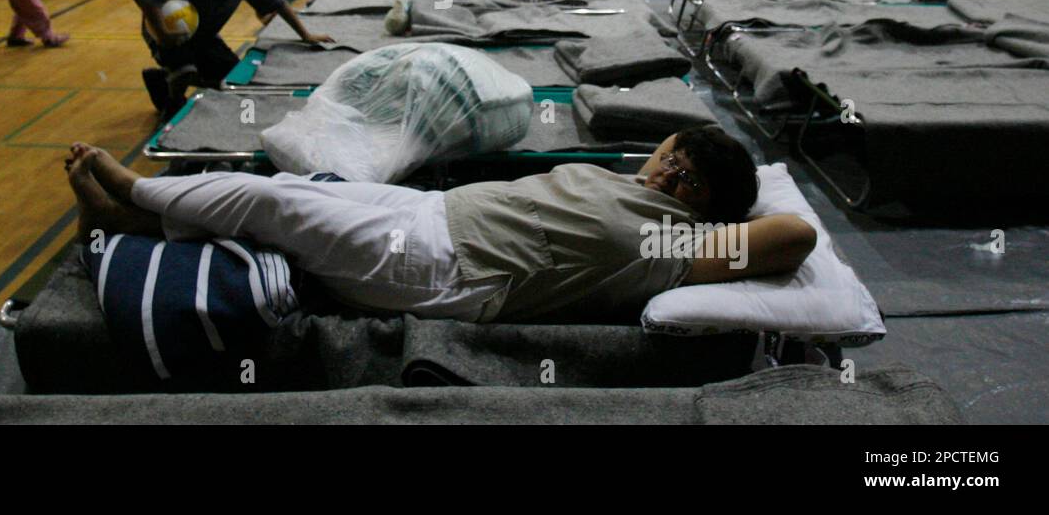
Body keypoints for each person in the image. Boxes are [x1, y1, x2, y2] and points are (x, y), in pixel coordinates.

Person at [63, 126, 818, 324]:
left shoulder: (675, 245)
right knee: (292, 182)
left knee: (276, 206)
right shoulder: (630, 182)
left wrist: (726, 213)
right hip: (434, 214)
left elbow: (796, 237)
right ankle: (146, 221)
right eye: (672, 159)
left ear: (705, 207)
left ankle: (138, 198)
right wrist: (688, 170)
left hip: (445, 271)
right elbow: (669, 158)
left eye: (688, 180)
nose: (669, 174)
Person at [132, 0, 334, 115]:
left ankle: (159, 79)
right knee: (185, 71)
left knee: (233, 78)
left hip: (204, 36)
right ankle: (173, 103)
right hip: (170, 36)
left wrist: (305, 35)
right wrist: (162, 34)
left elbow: (279, 3)